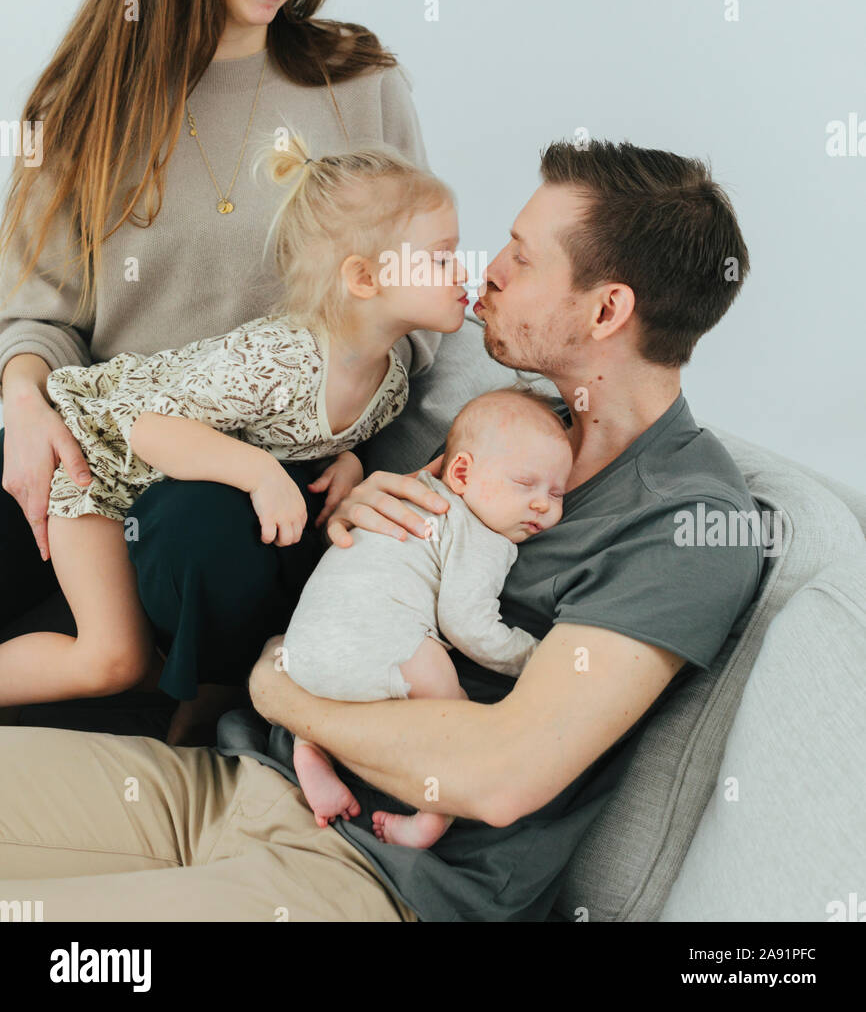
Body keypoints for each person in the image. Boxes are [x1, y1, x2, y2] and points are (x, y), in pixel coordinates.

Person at [0, 139, 768, 922]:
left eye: (522, 257)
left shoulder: (685, 524)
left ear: (608, 310)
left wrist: (278, 687)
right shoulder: (513, 425)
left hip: (361, 874)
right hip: (231, 779)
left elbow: (502, 776)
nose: (489, 268)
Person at [0, 0, 441, 739]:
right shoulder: (82, 98)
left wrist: (365, 448)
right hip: (109, 443)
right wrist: (27, 408)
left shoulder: (359, 84)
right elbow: (36, 314)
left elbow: (417, 298)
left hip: (260, 484)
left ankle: (178, 702)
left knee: (195, 530)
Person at [0, 135, 466, 711]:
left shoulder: (390, 381)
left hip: (158, 486)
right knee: (111, 660)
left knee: (144, 664)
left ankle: (195, 701)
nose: (462, 270)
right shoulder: (280, 359)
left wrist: (345, 462)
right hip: (96, 456)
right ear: (365, 279)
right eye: (442, 257)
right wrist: (261, 473)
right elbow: (146, 429)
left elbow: (321, 435)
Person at [282, 384, 574, 847]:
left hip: (300, 654)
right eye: (526, 484)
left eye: (557, 493)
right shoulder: (482, 534)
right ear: (461, 472)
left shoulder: (411, 490)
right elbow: (468, 624)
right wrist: (537, 657)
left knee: (354, 670)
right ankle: (430, 818)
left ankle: (309, 747)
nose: (544, 504)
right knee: (451, 709)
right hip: (374, 645)